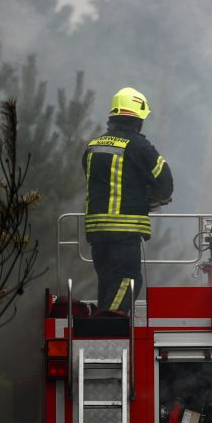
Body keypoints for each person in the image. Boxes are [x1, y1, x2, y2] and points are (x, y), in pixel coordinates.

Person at [82, 86, 173, 314]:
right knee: (128, 280)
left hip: (96, 232)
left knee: (108, 283)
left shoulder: (93, 146)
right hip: (124, 231)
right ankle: (106, 327)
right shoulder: (139, 146)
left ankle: (101, 325)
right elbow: (164, 183)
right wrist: (154, 199)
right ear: (139, 119)